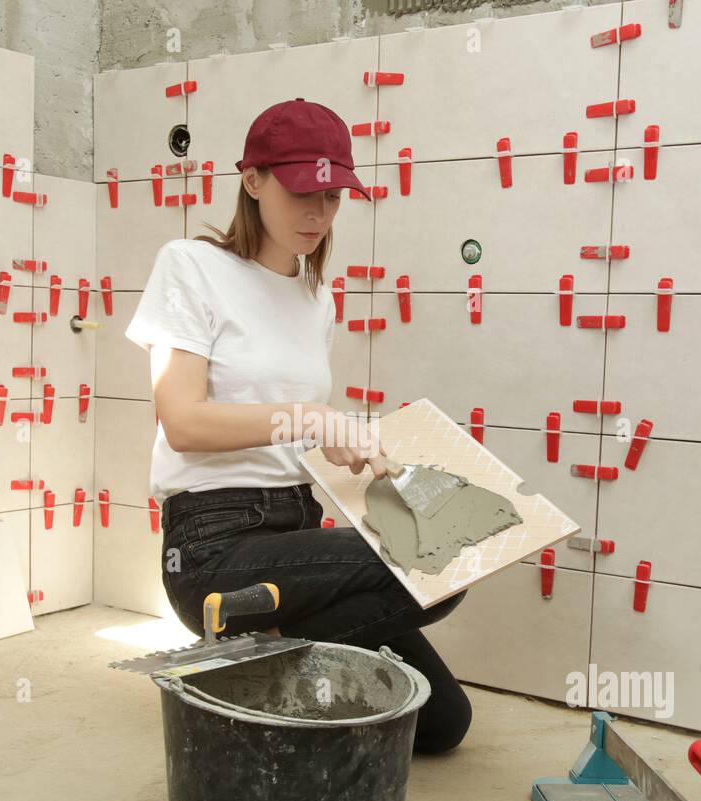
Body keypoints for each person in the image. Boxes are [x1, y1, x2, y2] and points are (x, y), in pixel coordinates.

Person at [123, 98, 471, 754]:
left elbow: (294, 435)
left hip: (298, 529)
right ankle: (249, 651)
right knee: (429, 557)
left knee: (445, 723)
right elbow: (184, 422)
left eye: (334, 196)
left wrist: (363, 452)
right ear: (252, 182)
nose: (319, 213)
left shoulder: (316, 298)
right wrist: (306, 417)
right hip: (213, 549)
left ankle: (266, 659)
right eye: (302, 193)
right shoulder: (190, 266)